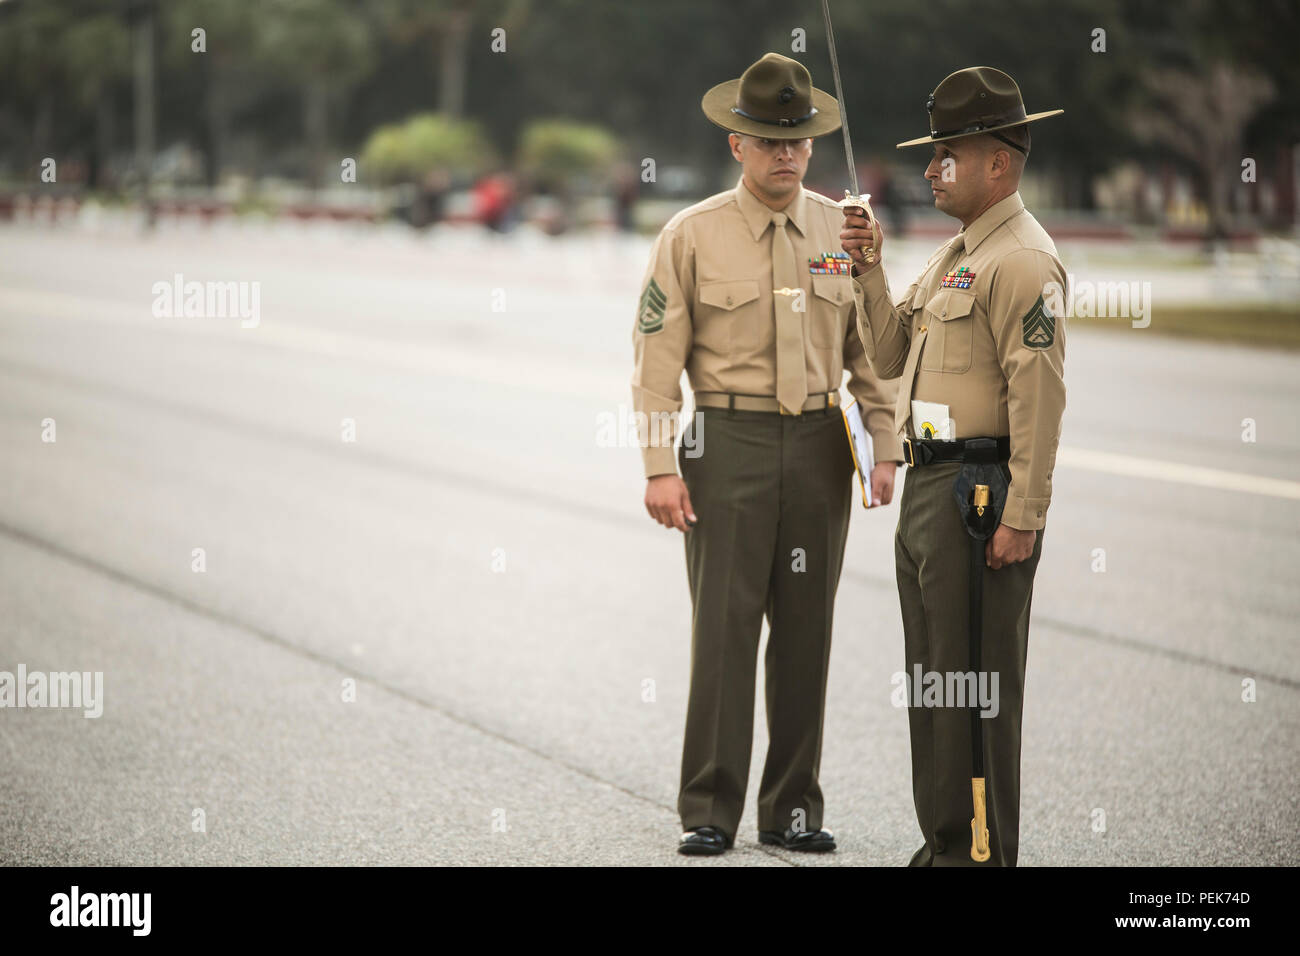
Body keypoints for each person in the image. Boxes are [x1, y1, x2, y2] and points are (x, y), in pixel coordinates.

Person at [631, 52, 901, 856]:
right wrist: (658, 466)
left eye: (799, 140)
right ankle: (709, 809)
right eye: (768, 140)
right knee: (724, 632)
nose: (786, 154)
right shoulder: (691, 235)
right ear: (735, 145)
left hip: (820, 447)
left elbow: (870, 356)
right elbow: (654, 365)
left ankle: (792, 809)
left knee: (806, 633)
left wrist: (885, 446)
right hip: (728, 442)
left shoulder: (841, 232)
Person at [841, 66, 1066, 866]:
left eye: (948, 156)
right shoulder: (957, 257)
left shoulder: (1025, 263)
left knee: (976, 691)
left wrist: (1023, 513)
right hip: (933, 490)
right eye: (932, 157)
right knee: (937, 683)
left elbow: (1039, 397)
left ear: (998, 163)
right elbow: (894, 349)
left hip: (980, 493)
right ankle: (943, 846)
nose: (932, 171)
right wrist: (868, 267)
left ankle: (978, 855)